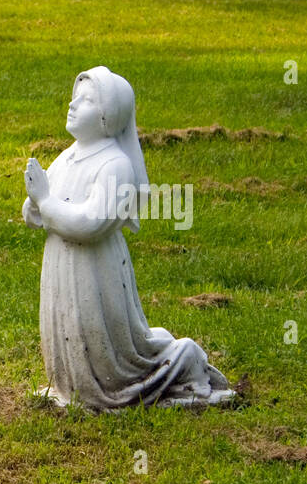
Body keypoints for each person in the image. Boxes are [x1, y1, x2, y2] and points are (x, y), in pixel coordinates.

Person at [23, 67, 233, 411]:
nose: (73, 105)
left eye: (87, 101)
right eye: (75, 97)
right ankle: (71, 387)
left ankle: (155, 370)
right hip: (61, 264)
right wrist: (35, 204)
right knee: (67, 327)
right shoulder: (66, 157)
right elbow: (39, 211)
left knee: (98, 339)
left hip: (93, 270)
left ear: (109, 117)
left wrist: (45, 203)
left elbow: (93, 222)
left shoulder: (114, 165)